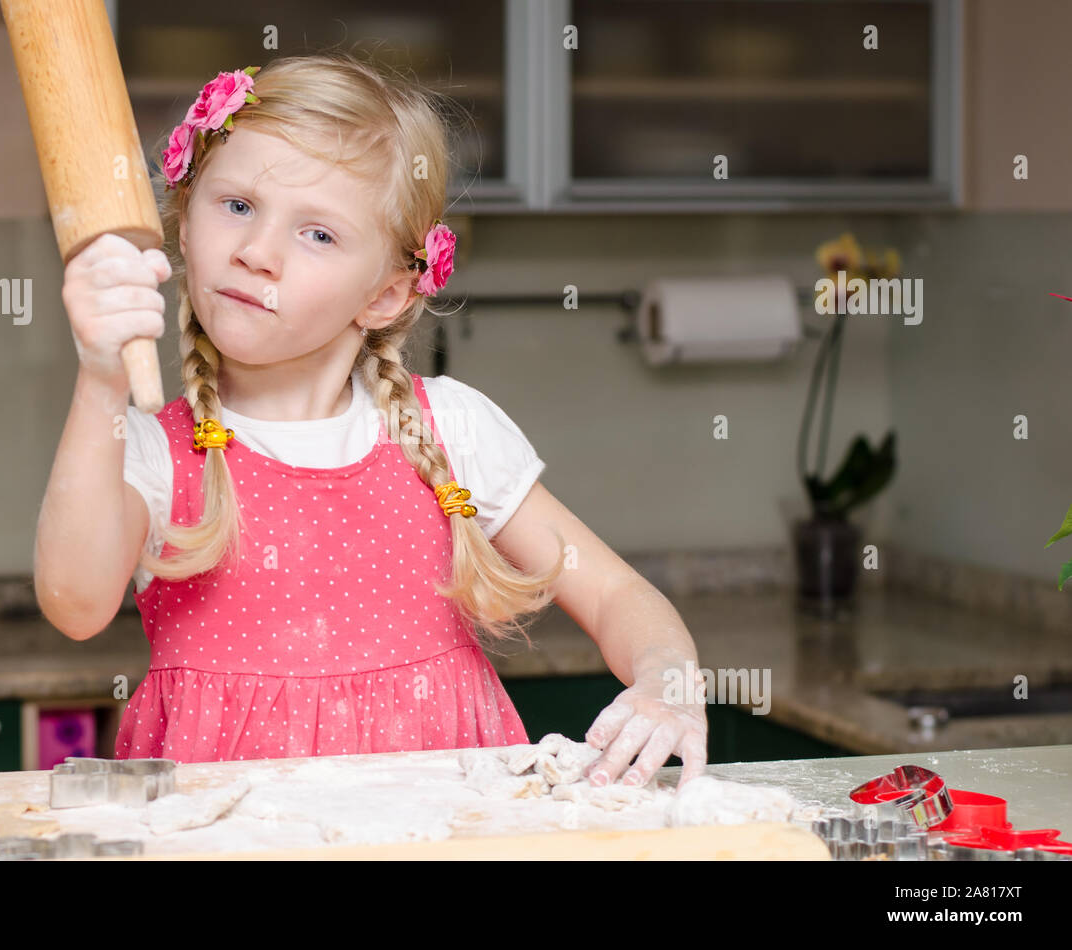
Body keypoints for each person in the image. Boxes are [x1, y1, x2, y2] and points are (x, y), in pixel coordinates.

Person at [35, 53, 707, 789]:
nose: (257, 252)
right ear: (185, 224)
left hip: (443, 834)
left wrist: (665, 680)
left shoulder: (451, 431)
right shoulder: (150, 453)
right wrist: (101, 377)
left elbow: (615, 595)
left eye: (317, 234)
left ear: (386, 295)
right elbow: (74, 604)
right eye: (236, 206)